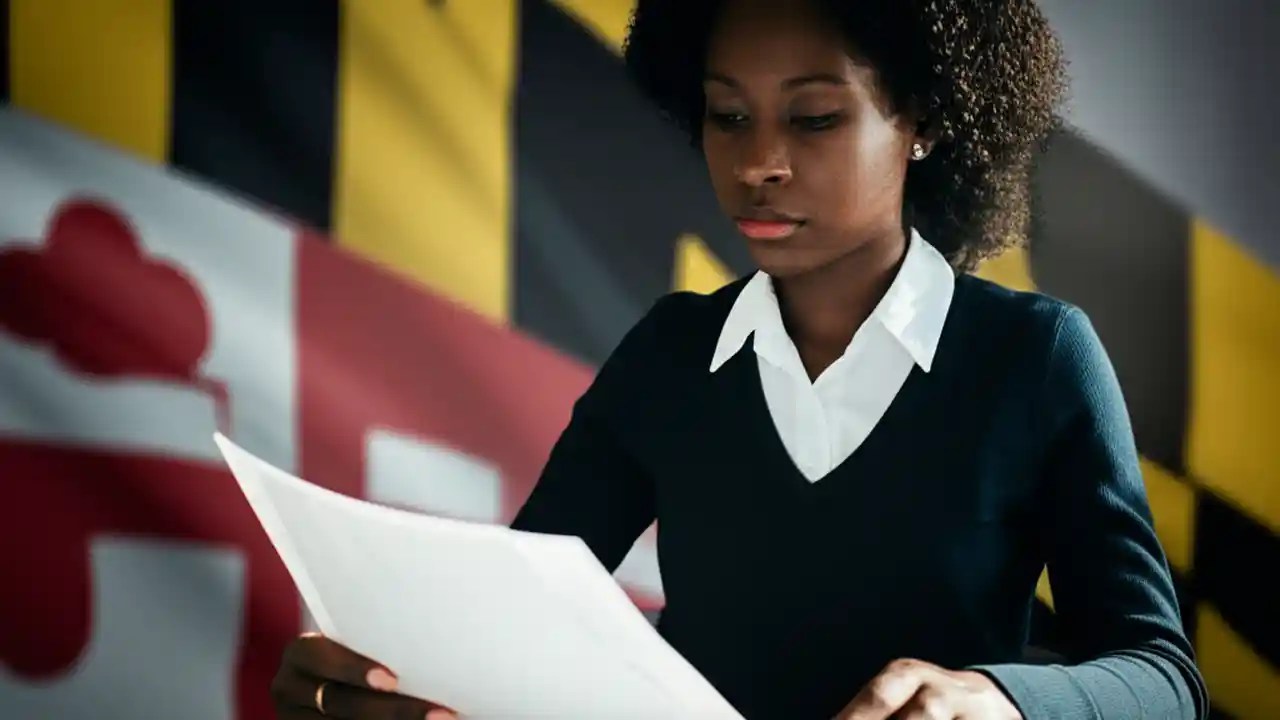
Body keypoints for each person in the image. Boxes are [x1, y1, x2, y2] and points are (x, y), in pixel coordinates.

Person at [270, 0, 1209, 718]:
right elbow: (517, 614)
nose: (758, 161)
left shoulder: (1032, 358)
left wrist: (996, 699)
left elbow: (1163, 677)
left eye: (813, 121)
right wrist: (385, 669)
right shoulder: (671, 358)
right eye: (727, 116)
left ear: (923, 120)